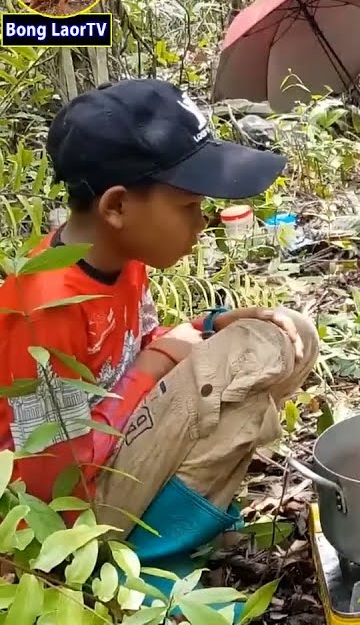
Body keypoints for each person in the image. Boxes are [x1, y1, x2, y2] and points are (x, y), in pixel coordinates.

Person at [0, 79, 320, 599]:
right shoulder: (44, 308)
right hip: (64, 525)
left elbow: (138, 346)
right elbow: (46, 482)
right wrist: (152, 367)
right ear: (118, 206)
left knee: (285, 333)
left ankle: (177, 527)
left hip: (112, 455)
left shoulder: (117, 260)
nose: (202, 222)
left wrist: (211, 324)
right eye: (190, 205)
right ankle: (144, 576)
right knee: (249, 363)